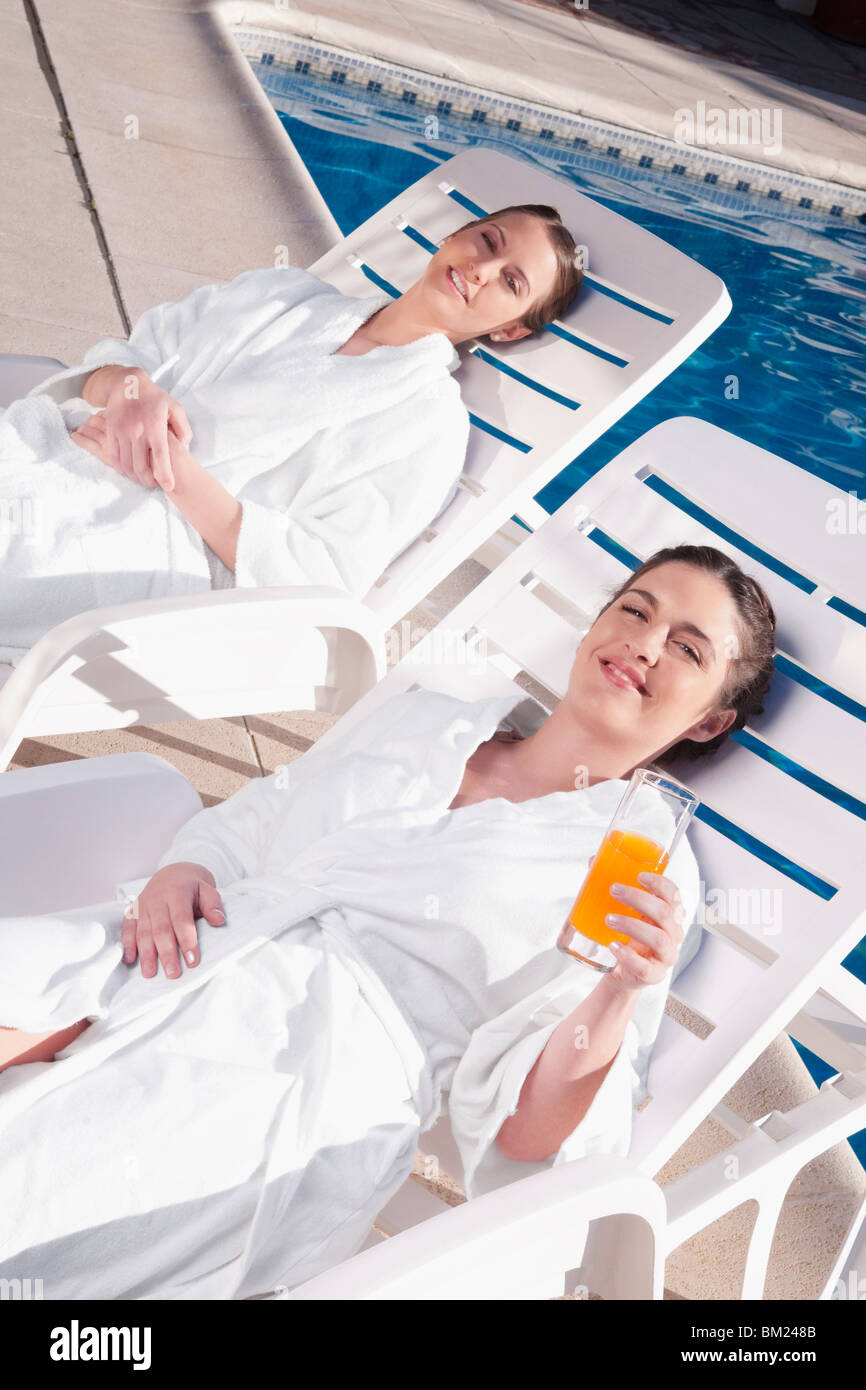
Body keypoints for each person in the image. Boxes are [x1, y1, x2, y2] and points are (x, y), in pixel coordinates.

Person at [0, 543, 776, 1299]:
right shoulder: (433, 721)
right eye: (635, 610)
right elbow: (262, 815)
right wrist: (185, 868)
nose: (643, 643)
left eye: (685, 648)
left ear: (709, 721)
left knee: (47, 1176)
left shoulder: (639, 861)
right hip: (198, 940)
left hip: (314, 1071)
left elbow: (528, 1139)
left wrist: (618, 993)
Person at [0, 205, 582, 666]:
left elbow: (320, 575)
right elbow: (132, 353)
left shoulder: (428, 426)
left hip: (156, 551)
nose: (481, 269)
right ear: (455, 235)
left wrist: (168, 466)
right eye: (487, 241)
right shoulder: (280, 293)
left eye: (509, 281)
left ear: (509, 330)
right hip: (62, 445)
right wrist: (129, 388)